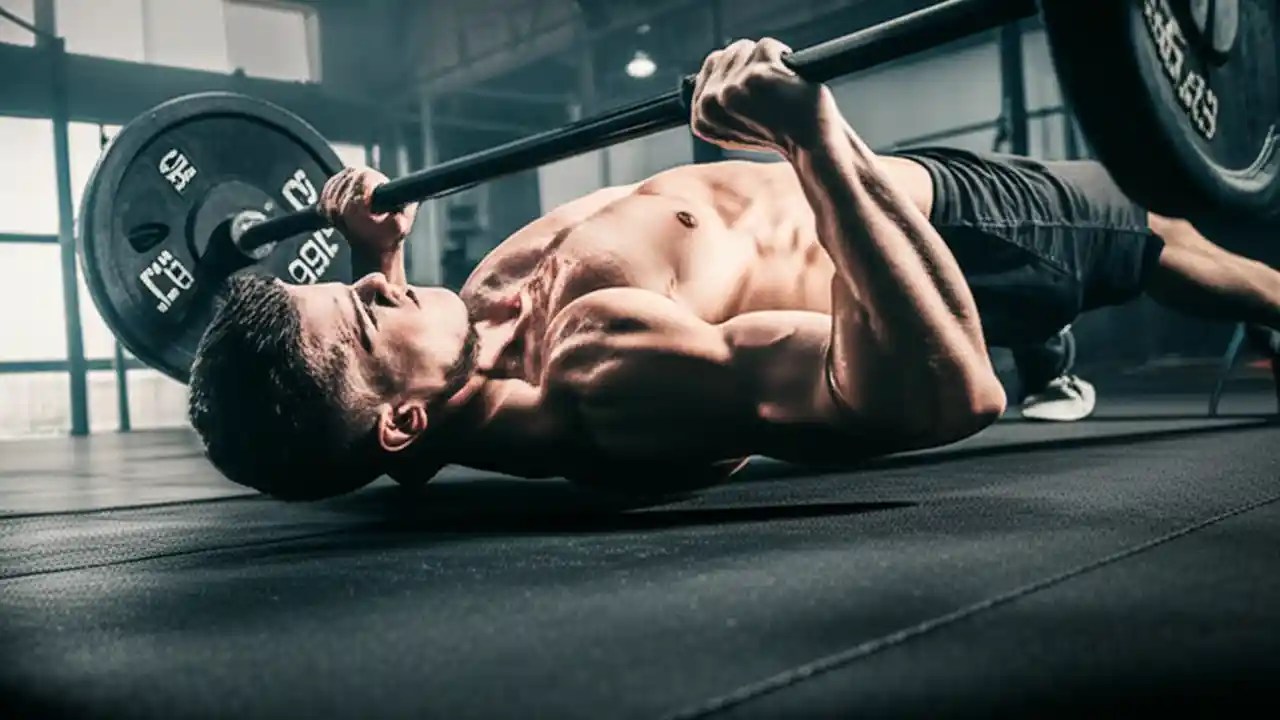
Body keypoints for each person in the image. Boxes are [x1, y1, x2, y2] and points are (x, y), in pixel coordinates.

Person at [187, 38, 1280, 500]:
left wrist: (383, 261)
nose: (377, 281)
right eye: (367, 313)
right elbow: (948, 394)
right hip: (930, 230)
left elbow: (408, 438)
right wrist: (812, 141)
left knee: (1135, 239)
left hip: (867, 193)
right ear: (400, 420)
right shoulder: (603, 376)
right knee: (1165, 229)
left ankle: (1048, 339)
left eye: (352, 279)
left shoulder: (450, 384)